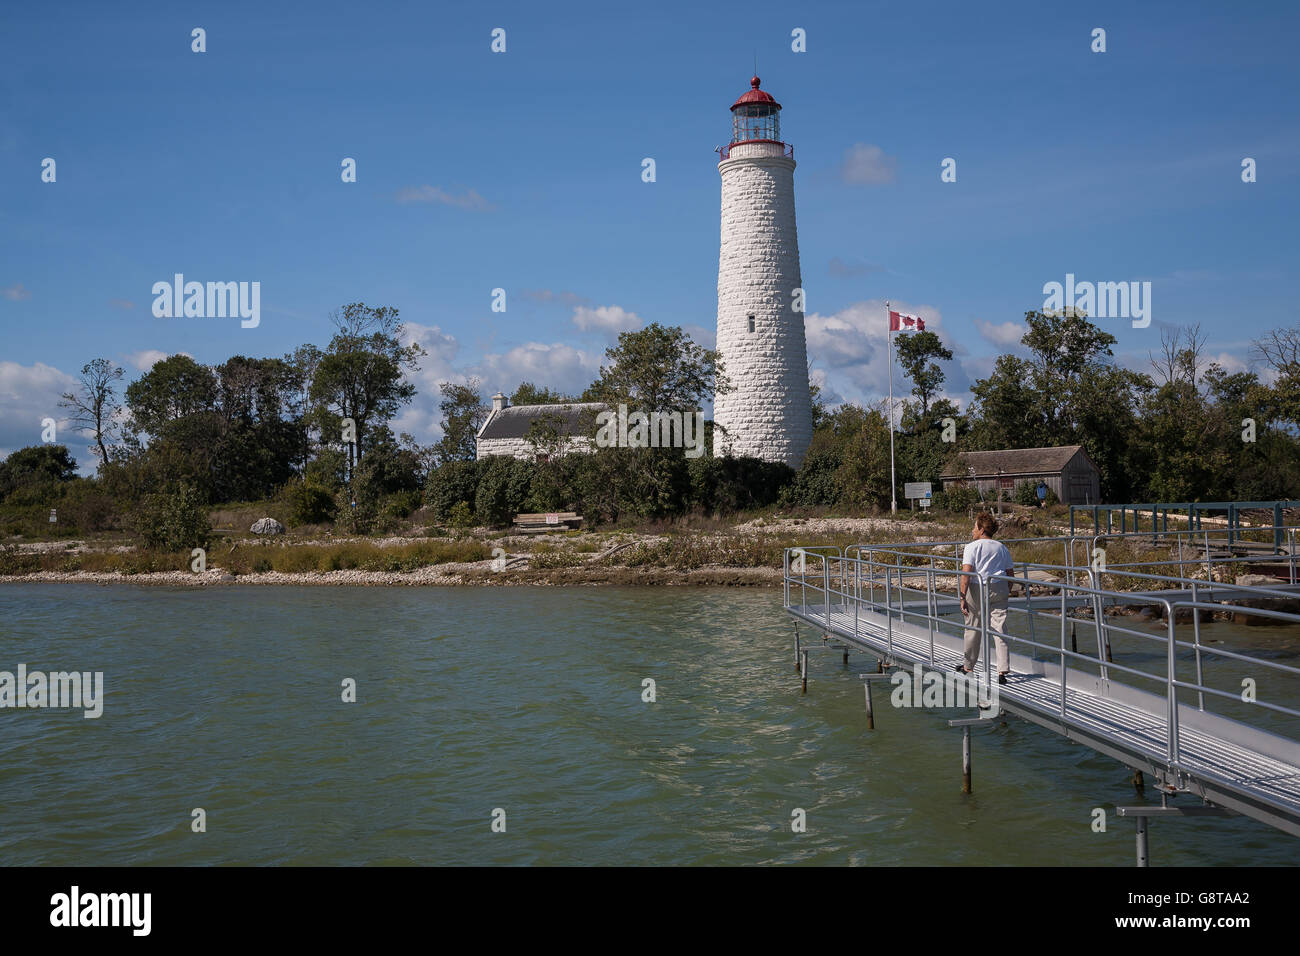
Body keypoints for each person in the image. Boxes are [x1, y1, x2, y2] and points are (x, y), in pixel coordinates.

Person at [957, 512, 1015, 684]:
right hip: (999, 587)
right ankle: (1002, 671)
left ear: (981, 529)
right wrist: (1006, 590)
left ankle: (968, 666)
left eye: (975, 527)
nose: (972, 530)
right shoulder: (1001, 547)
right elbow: (1010, 573)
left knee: (973, 627)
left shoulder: (972, 547)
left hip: (977, 588)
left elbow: (966, 575)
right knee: (999, 628)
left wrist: (962, 597)